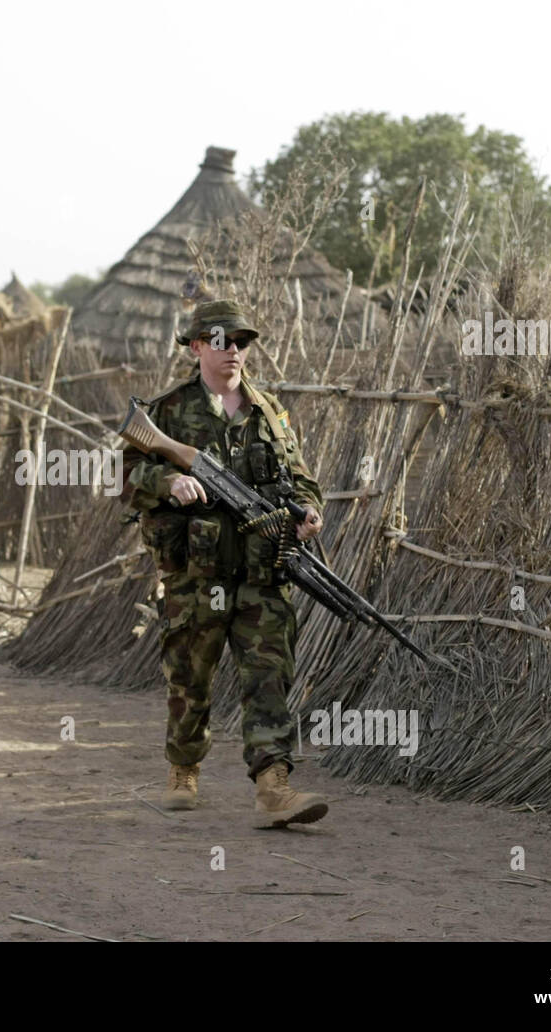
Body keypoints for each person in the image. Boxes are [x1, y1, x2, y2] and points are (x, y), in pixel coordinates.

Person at [121, 299, 329, 827]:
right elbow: (126, 477)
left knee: (269, 677)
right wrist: (169, 482)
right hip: (197, 575)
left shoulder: (270, 412)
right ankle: (183, 768)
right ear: (196, 347)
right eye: (221, 341)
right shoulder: (167, 412)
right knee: (189, 677)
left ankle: (273, 785)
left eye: (240, 342)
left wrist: (308, 511)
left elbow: (300, 477)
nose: (233, 350)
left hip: (264, 571)